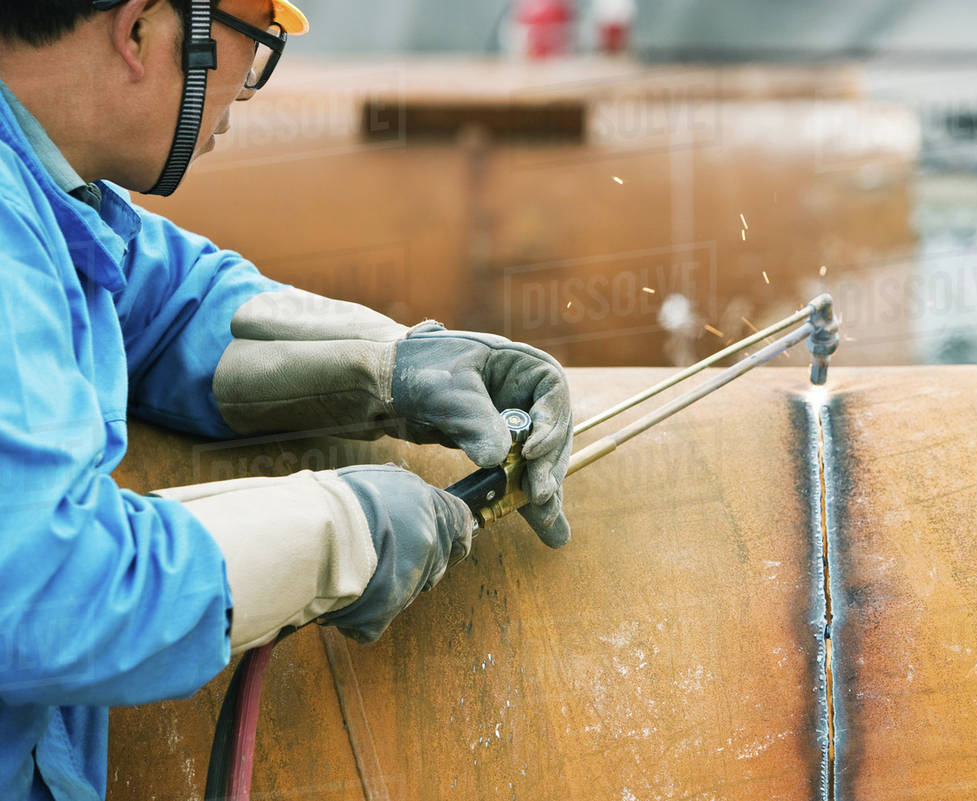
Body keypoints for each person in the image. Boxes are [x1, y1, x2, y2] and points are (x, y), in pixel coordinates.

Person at [0, 1, 573, 798]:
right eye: (254, 43)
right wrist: (339, 532)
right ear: (139, 30)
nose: (245, 89)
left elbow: (171, 304)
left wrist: (396, 364)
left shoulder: (40, 189)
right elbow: (46, 589)